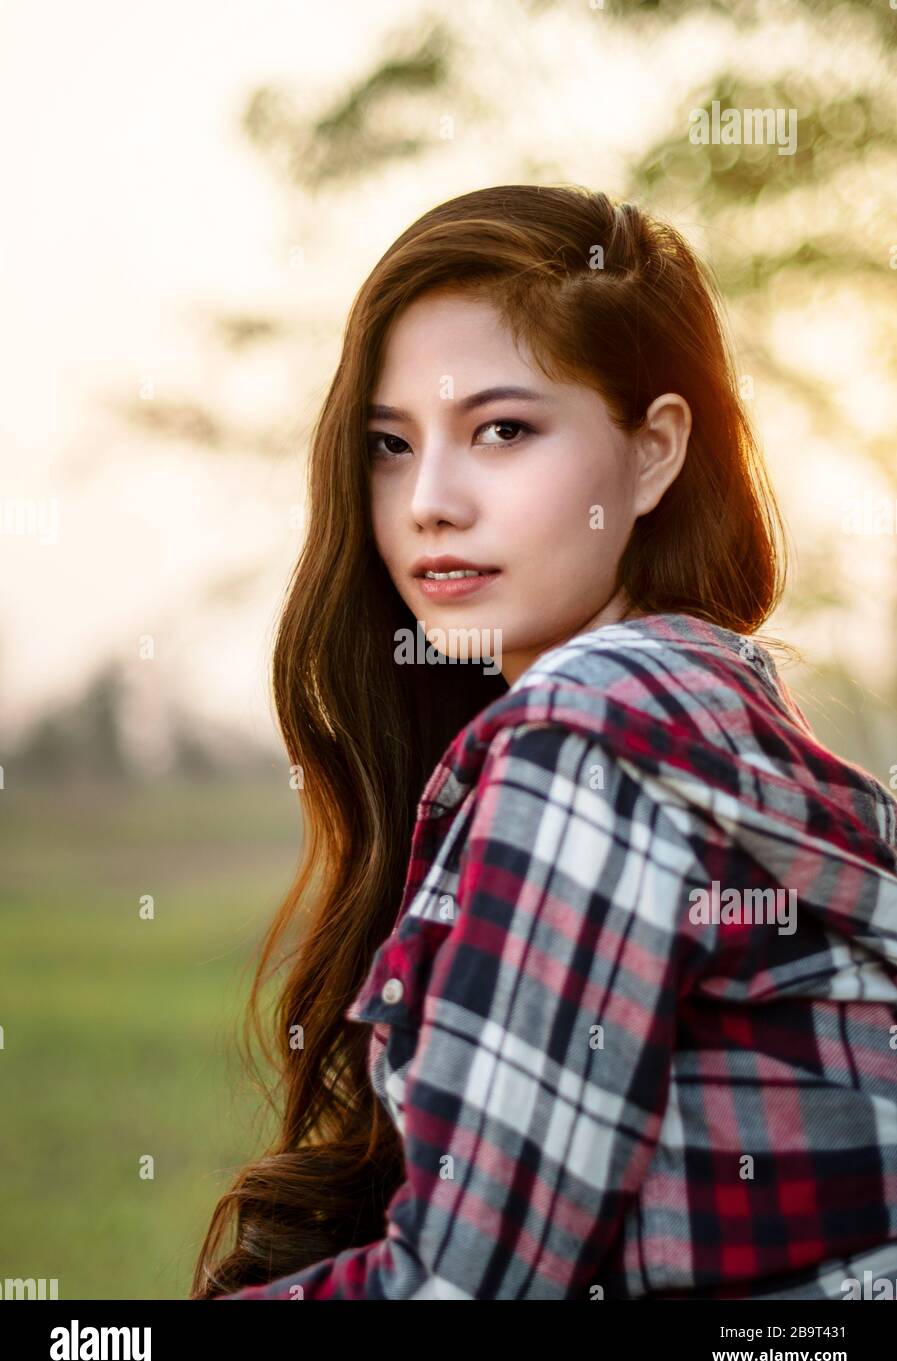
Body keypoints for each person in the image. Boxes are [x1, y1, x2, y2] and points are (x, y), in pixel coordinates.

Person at [190, 184, 897, 1300]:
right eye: (389, 443)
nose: (429, 500)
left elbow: (466, 1291)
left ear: (656, 451)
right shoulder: (712, 707)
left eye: (502, 431)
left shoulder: (590, 737)